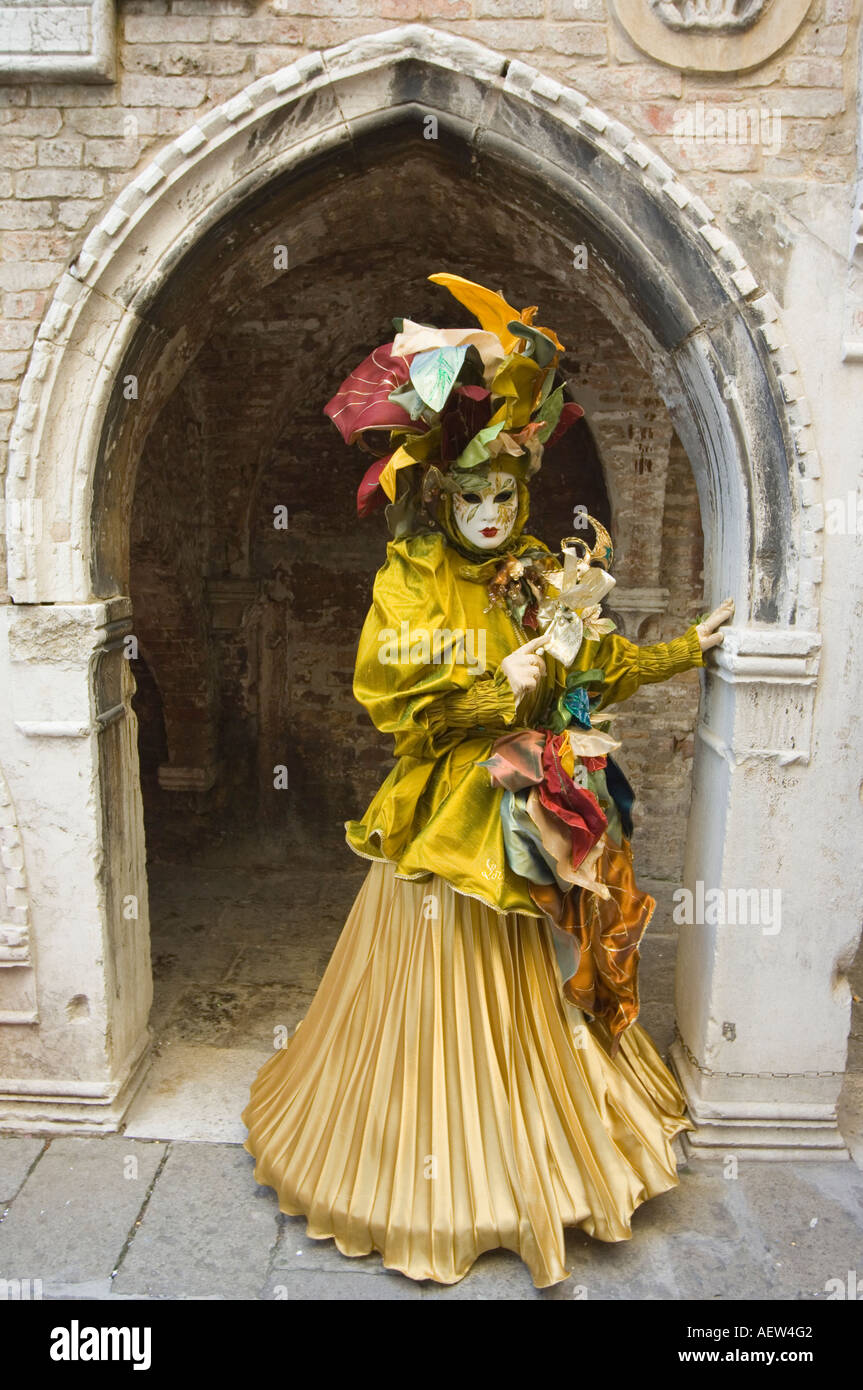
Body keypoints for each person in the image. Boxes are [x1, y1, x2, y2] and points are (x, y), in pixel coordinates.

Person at [241, 273, 734, 1288]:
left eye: (501, 494)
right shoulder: (410, 577)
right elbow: (384, 689)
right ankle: (420, 1162)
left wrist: (686, 646)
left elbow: (594, 665)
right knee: (418, 997)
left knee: (525, 984)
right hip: (439, 817)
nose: (484, 510)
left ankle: (527, 1145)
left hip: (516, 812)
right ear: (440, 494)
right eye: (468, 494)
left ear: (522, 495)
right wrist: (485, 682)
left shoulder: (541, 578)